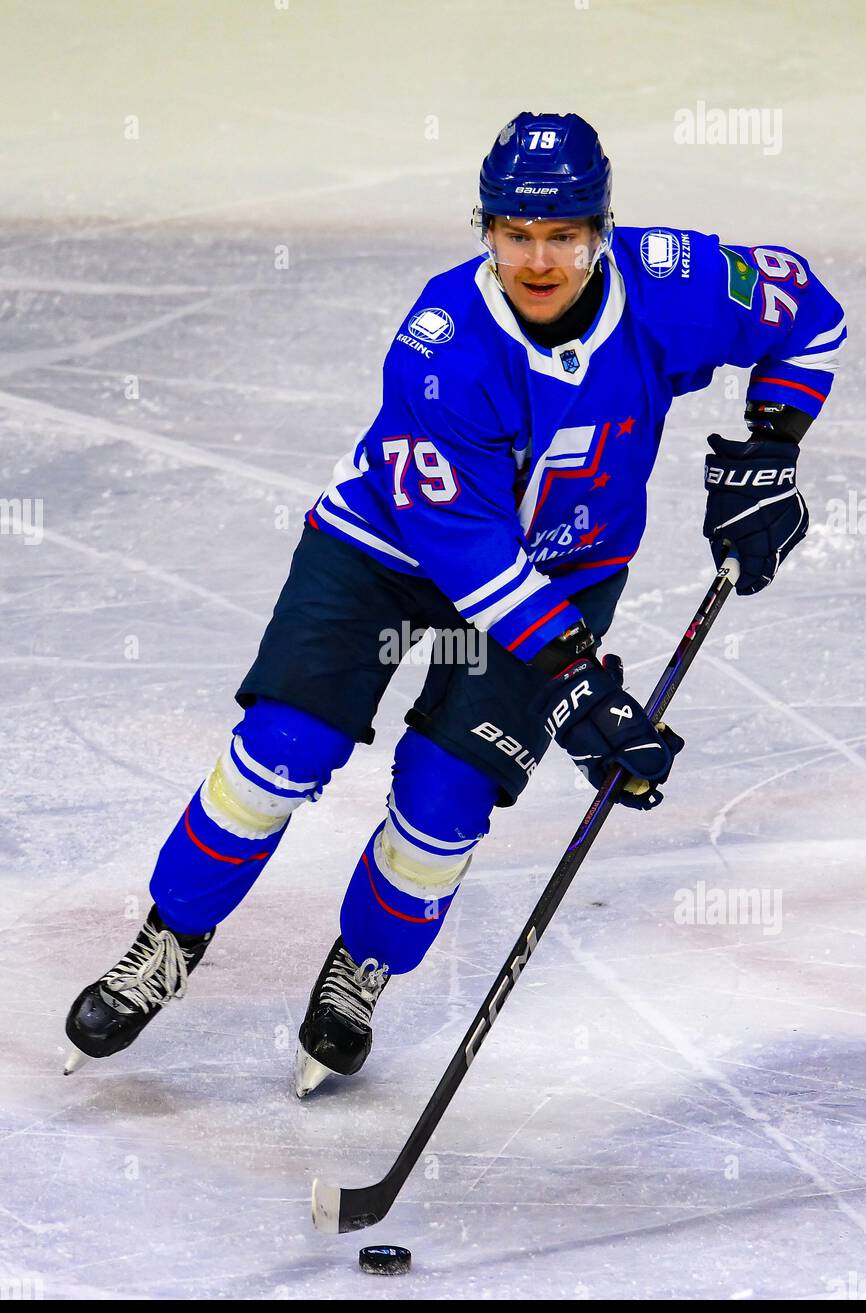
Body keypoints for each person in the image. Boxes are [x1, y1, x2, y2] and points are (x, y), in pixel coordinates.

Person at [64, 111, 845, 1097]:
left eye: (561, 233)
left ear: (600, 228)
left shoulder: (673, 284)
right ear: (483, 231)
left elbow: (809, 314)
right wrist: (575, 687)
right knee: (279, 755)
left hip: (564, 569)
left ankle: (363, 965)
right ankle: (168, 937)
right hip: (385, 556)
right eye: (513, 235)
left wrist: (771, 444)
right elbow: (470, 556)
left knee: (443, 806)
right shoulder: (442, 351)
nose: (537, 258)